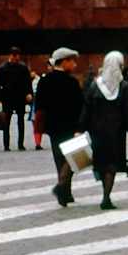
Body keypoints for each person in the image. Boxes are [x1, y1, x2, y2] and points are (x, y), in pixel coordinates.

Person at [77, 51, 128, 210]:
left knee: (101, 162)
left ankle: (104, 189)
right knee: (112, 164)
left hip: (97, 132)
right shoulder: (123, 86)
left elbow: (86, 109)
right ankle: (106, 197)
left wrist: (80, 129)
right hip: (116, 132)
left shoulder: (94, 85)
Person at [34, 48, 85, 206]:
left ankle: (65, 192)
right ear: (64, 61)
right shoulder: (72, 82)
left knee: (60, 158)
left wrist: (41, 126)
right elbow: (80, 106)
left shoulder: (44, 80)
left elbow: (39, 105)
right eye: (72, 61)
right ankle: (63, 188)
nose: (74, 64)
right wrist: (81, 125)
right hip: (71, 126)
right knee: (72, 159)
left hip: (53, 127)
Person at [0, 46, 33, 151]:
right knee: (6, 122)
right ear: (11, 55)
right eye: (15, 56)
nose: (17, 58)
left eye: (18, 56)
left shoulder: (22, 68)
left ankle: (20, 144)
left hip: (20, 97)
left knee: (21, 121)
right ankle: (6, 145)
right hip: (7, 98)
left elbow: (27, 82)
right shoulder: (2, 68)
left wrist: (29, 93)